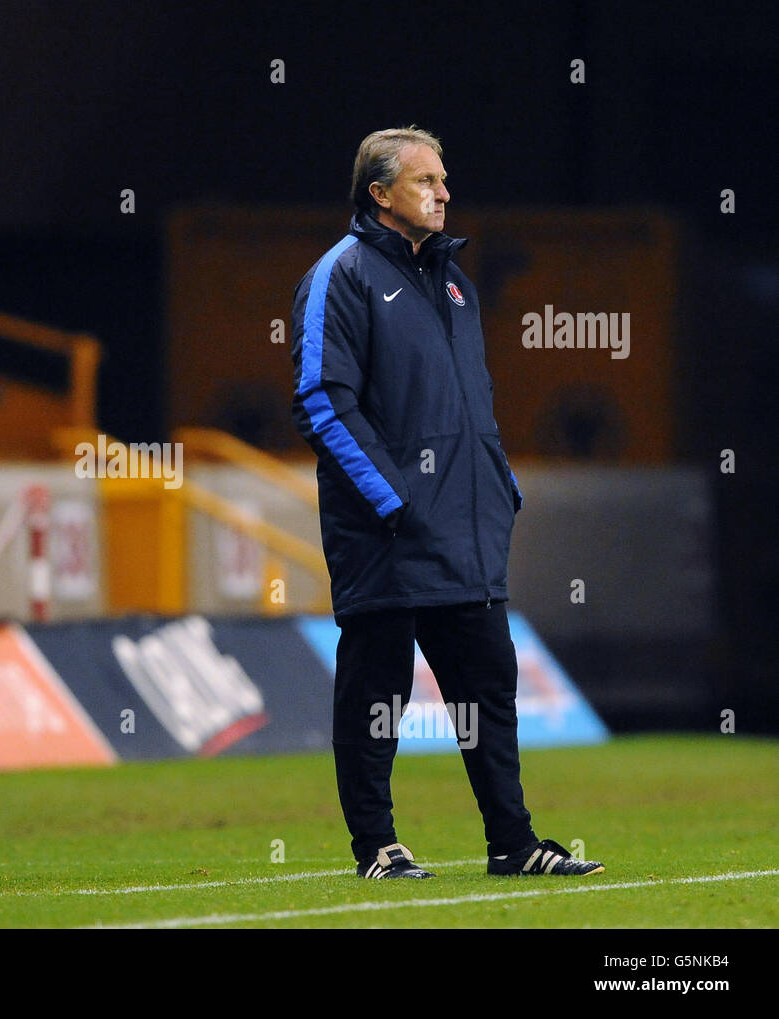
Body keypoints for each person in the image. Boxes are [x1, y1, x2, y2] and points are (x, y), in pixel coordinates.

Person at [291, 126, 604, 879]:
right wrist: (393, 501)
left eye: (443, 178)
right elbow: (322, 401)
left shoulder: (456, 283)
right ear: (380, 193)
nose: (444, 191)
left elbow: (474, 404)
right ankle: (378, 846)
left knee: (488, 689)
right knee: (378, 694)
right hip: (387, 533)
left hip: (466, 530)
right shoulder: (342, 274)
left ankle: (514, 841)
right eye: (427, 180)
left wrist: (498, 486)